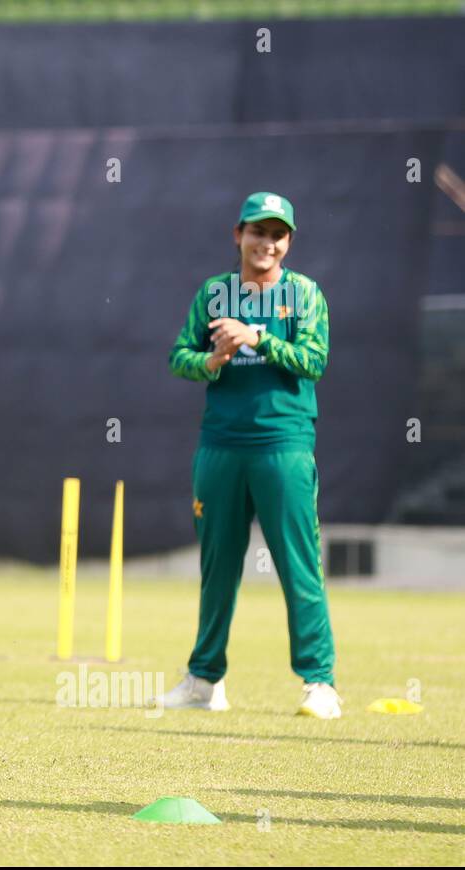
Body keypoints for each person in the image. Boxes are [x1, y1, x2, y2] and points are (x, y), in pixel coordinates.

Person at [159, 191, 340, 718]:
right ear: (238, 235)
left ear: (289, 242)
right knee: (217, 567)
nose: (268, 243)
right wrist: (213, 359)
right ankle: (204, 680)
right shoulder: (214, 293)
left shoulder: (304, 293)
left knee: (298, 565)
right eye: (258, 232)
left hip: (284, 444)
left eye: (278, 234)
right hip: (221, 445)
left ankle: (320, 684)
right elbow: (179, 357)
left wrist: (256, 337)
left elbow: (314, 360)